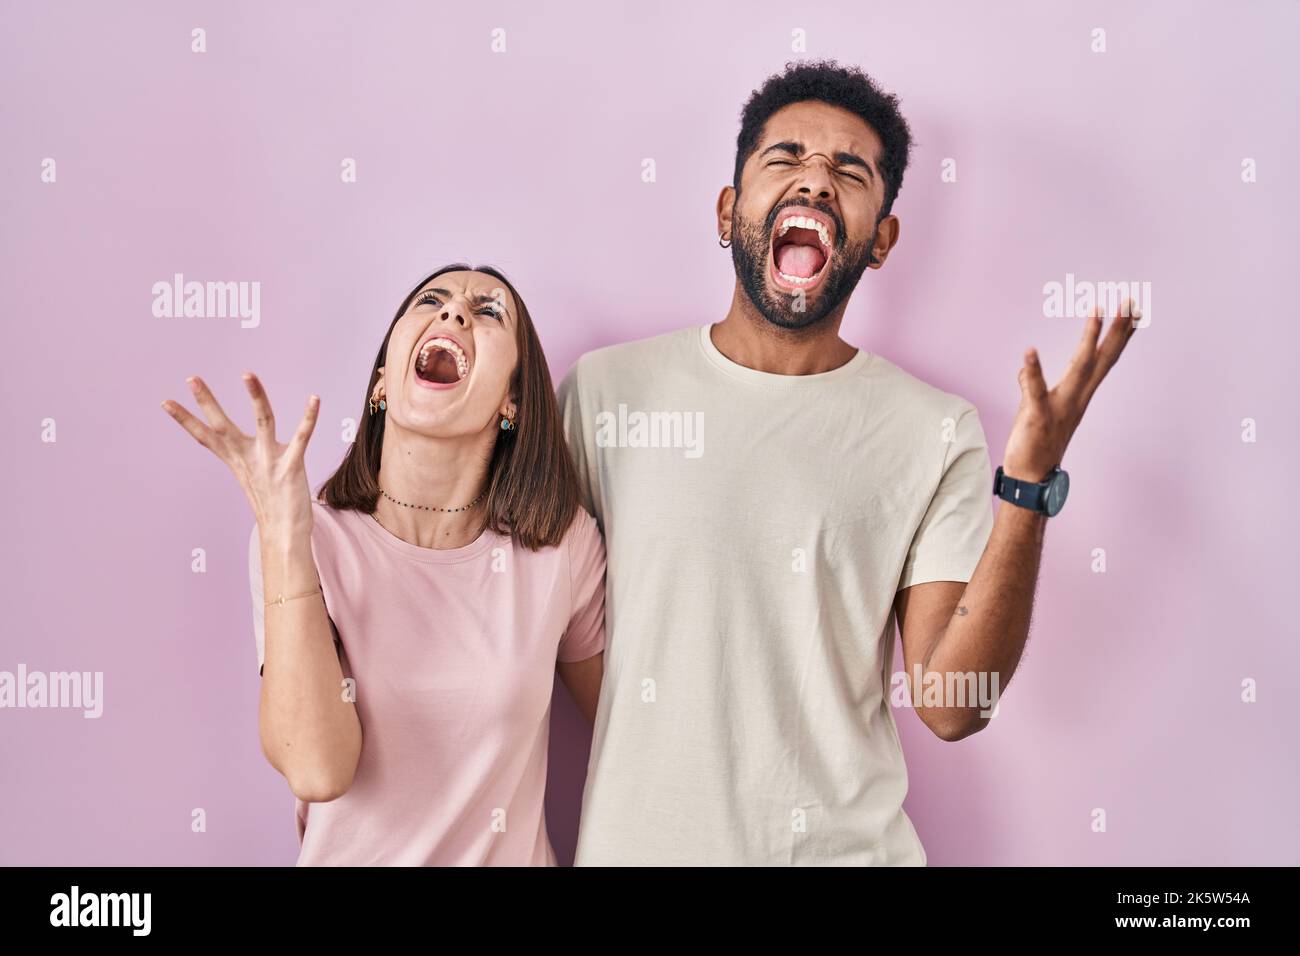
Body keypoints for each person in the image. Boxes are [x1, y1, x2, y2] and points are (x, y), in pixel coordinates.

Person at [558, 61, 1140, 865]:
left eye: (849, 171)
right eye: (786, 159)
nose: (817, 182)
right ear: (729, 213)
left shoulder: (935, 431)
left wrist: (1029, 488)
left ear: (882, 241)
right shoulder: (604, 393)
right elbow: (545, 621)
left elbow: (948, 705)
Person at [162, 264, 607, 866]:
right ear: (381, 385)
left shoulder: (560, 546)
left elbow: (625, 729)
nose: (453, 314)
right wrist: (283, 535)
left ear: (512, 401)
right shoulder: (309, 538)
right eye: (432, 300)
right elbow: (317, 768)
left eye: (487, 311)